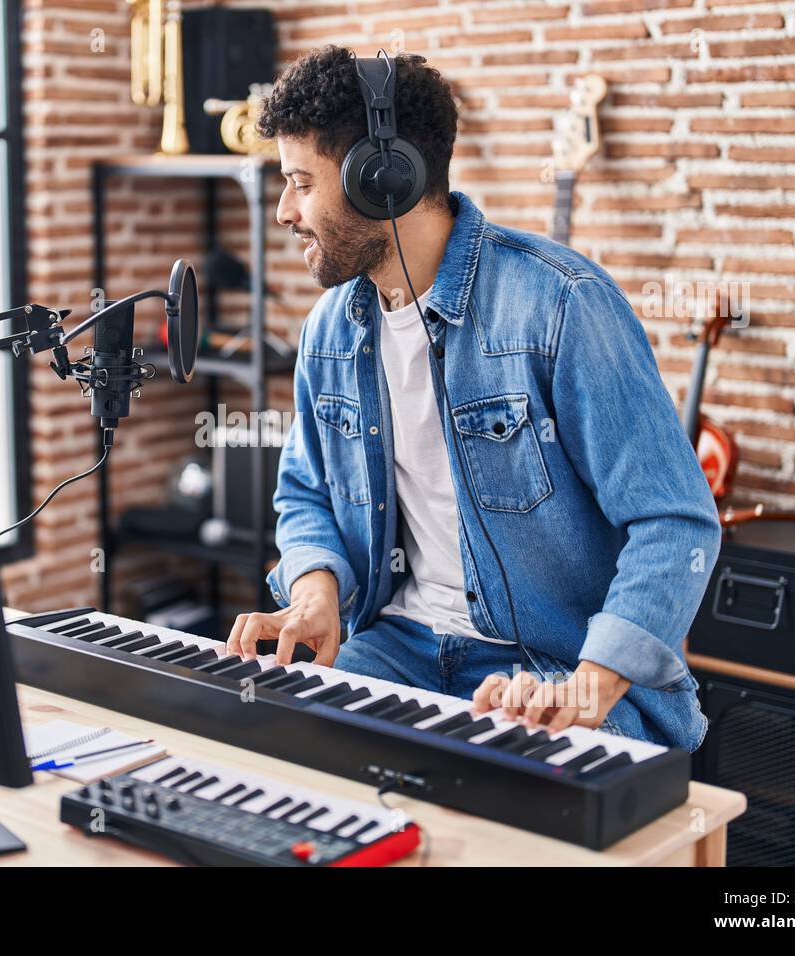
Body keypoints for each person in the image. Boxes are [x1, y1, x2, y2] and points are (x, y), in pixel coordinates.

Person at [225, 46, 721, 751]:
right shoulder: (329, 332)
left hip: (551, 667)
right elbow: (305, 494)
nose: (283, 212)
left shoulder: (560, 306)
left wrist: (591, 682)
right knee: (272, 750)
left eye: (301, 183)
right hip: (396, 649)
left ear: (383, 180)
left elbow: (676, 522)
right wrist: (315, 594)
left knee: (522, 812)